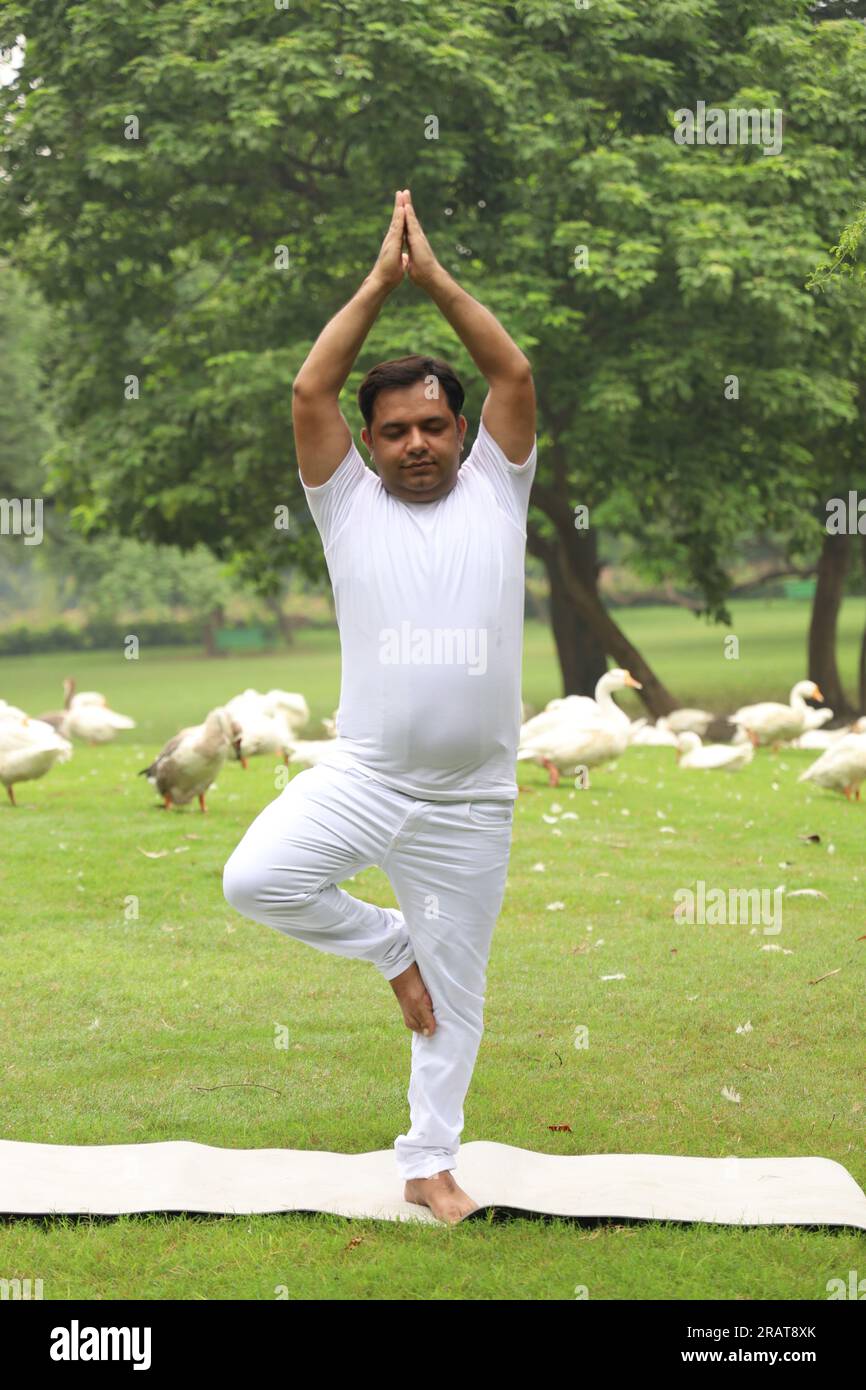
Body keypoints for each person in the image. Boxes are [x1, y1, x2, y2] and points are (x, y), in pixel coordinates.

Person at [223, 189, 537, 1223]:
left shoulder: (498, 487)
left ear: (462, 433)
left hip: (469, 802)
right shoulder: (344, 501)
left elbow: (512, 372)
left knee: (459, 999)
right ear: (366, 440)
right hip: (365, 775)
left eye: (433, 427)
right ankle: (388, 945)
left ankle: (427, 1162)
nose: (415, 444)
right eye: (394, 429)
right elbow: (309, 384)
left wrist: (434, 279)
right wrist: (376, 283)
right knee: (256, 877)